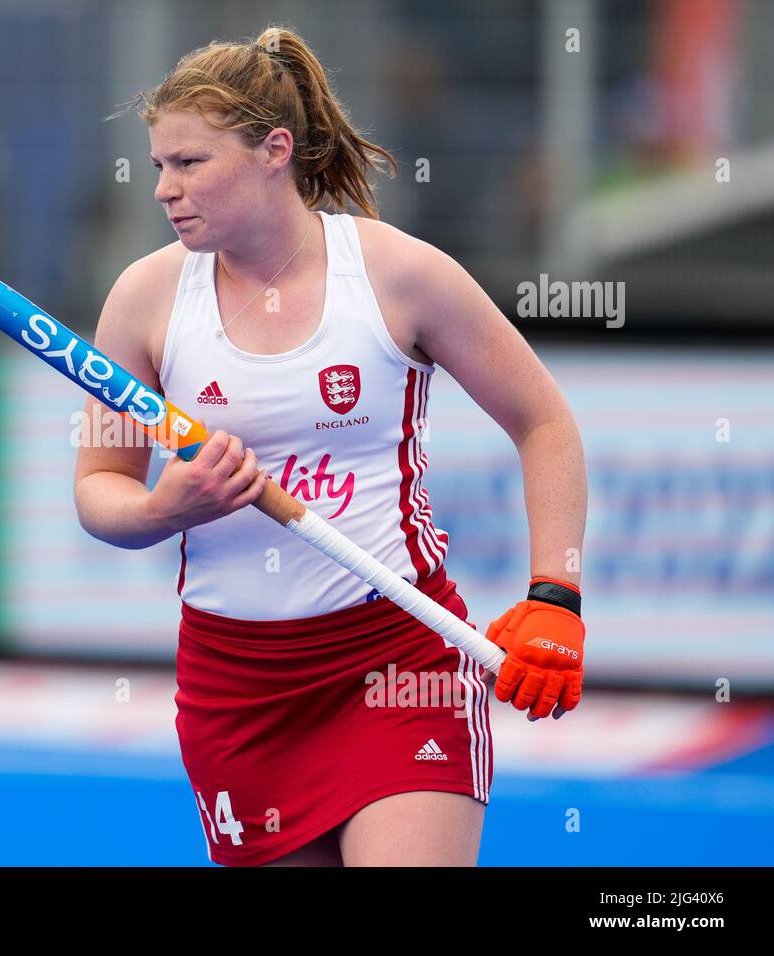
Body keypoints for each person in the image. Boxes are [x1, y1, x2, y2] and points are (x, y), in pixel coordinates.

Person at [74, 27, 587, 867]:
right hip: (234, 688)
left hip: (397, 662)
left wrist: (556, 595)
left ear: (275, 149)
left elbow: (545, 424)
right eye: (159, 164)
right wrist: (167, 507)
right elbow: (100, 489)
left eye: (190, 164)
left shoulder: (399, 275)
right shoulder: (142, 300)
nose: (163, 189)